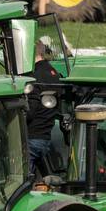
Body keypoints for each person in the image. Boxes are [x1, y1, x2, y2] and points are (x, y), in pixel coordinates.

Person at [26, 43, 62, 171]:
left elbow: (29, 111)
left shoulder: (33, 76)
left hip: (31, 137)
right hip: (46, 136)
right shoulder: (54, 73)